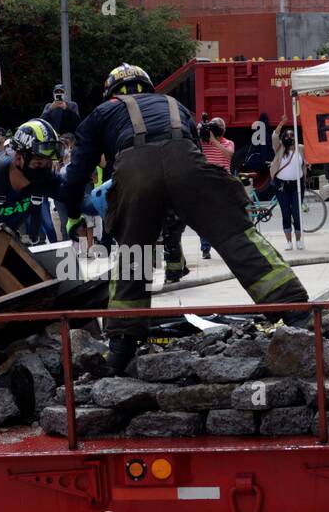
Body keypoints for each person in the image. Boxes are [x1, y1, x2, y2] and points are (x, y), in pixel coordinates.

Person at [62, 63, 310, 373]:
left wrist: (73, 216)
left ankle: (122, 347)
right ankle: (298, 311)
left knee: (132, 256)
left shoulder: (102, 113)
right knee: (236, 236)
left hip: (136, 173)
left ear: (111, 92)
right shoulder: (174, 104)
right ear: (148, 86)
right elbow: (187, 152)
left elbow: (74, 177)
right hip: (189, 165)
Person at [198, 116, 234, 258]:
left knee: (225, 218)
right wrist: (201, 128)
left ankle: (226, 246)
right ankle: (205, 249)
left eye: (218, 125)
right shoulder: (203, 142)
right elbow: (193, 137)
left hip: (224, 184)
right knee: (204, 218)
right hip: (206, 184)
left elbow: (229, 154)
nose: (216, 126)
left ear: (223, 129)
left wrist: (214, 141)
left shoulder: (228, 143)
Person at [271, 120, 307, 249]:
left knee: (297, 213)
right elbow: (274, 136)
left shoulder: (301, 148)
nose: (289, 137)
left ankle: (298, 240)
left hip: (297, 185)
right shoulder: (279, 148)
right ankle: (288, 241)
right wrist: (281, 124)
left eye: (292, 135)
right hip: (281, 185)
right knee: (285, 213)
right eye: (287, 135)